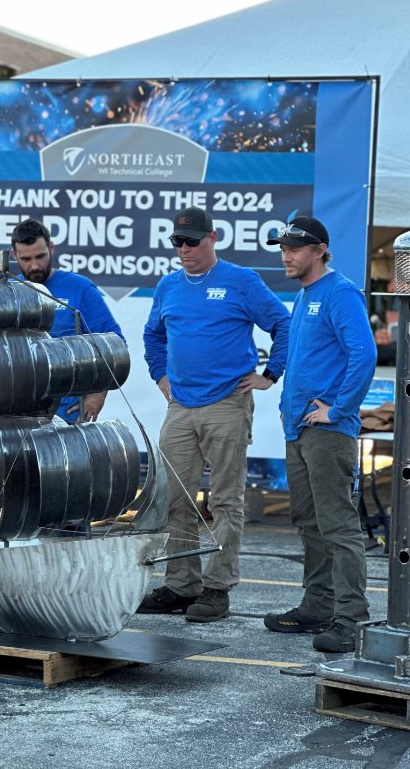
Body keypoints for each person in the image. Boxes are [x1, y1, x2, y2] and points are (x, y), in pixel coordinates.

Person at [140, 207, 290, 622]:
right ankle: (181, 584)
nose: (184, 249)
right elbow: (153, 334)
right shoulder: (169, 285)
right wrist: (159, 374)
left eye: (192, 241)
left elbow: (283, 323)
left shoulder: (241, 281)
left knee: (225, 499)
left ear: (213, 237)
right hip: (181, 405)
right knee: (175, 497)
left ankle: (217, 587)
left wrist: (271, 374)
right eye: (178, 242)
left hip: (227, 401)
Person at [263, 216, 376, 653]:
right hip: (300, 429)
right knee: (309, 523)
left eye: (294, 248)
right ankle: (318, 607)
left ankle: (351, 620)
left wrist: (339, 408)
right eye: (283, 248)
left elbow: (363, 355)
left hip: (327, 432)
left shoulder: (340, 292)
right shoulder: (308, 294)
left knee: (338, 526)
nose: (286, 256)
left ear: (320, 250)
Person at [10, 218, 123, 423]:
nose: (35, 266)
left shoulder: (80, 289)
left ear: (51, 248)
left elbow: (114, 343)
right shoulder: (6, 292)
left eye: (40, 256)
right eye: (26, 259)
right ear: (14, 255)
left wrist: (99, 393)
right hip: (18, 409)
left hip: (67, 412)